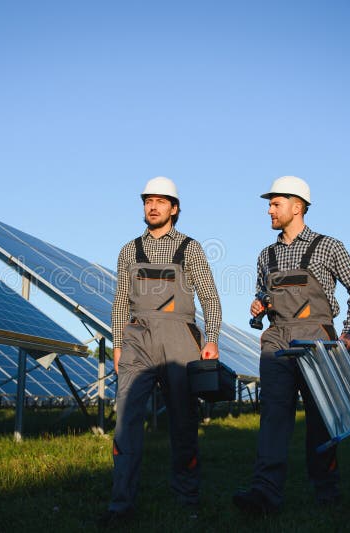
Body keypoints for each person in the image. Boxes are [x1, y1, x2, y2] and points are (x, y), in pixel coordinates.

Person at [233, 175, 350, 514]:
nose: (269, 210)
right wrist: (259, 304)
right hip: (277, 337)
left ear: (297, 207)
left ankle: (326, 490)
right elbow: (264, 293)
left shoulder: (329, 246)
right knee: (273, 416)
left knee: (321, 418)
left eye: (275, 203)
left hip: (317, 337)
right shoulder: (266, 255)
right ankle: (264, 493)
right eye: (269, 204)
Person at [99, 176, 222, 527]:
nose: (152, 206)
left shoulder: (191, 248)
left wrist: (210, 338)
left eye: (160, 201)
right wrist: (118, 344)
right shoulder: (129, 250)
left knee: (183, 420)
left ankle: (187, 496)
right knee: (126, 421)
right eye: (147, 201)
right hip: (137, 336)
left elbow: (210, 298)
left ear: (175, 208)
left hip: (180, 338)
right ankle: (121, 503)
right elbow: (120, 301)